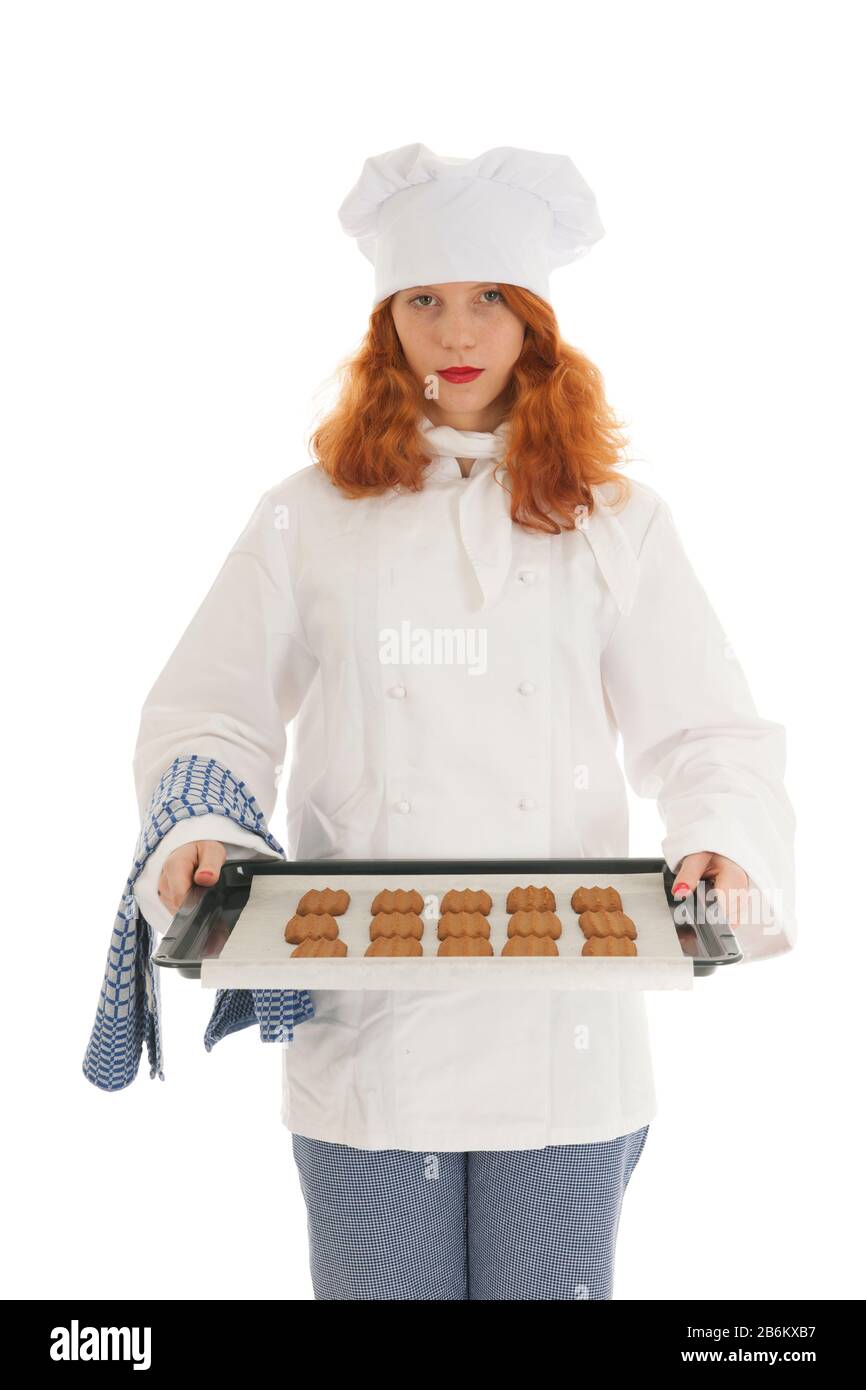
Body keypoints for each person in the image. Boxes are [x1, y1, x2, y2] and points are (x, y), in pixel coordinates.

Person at [130, 144, 796, 1300]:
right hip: (369, 1021)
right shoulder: (305, 518)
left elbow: (706, 734)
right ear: (385, 325)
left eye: (487, 296)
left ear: (534, 321)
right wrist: (205, 835)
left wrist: (719, 840)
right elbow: (210, 712)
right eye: (423, 301)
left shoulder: (614, 520)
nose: (455, 331)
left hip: (565, 1028)